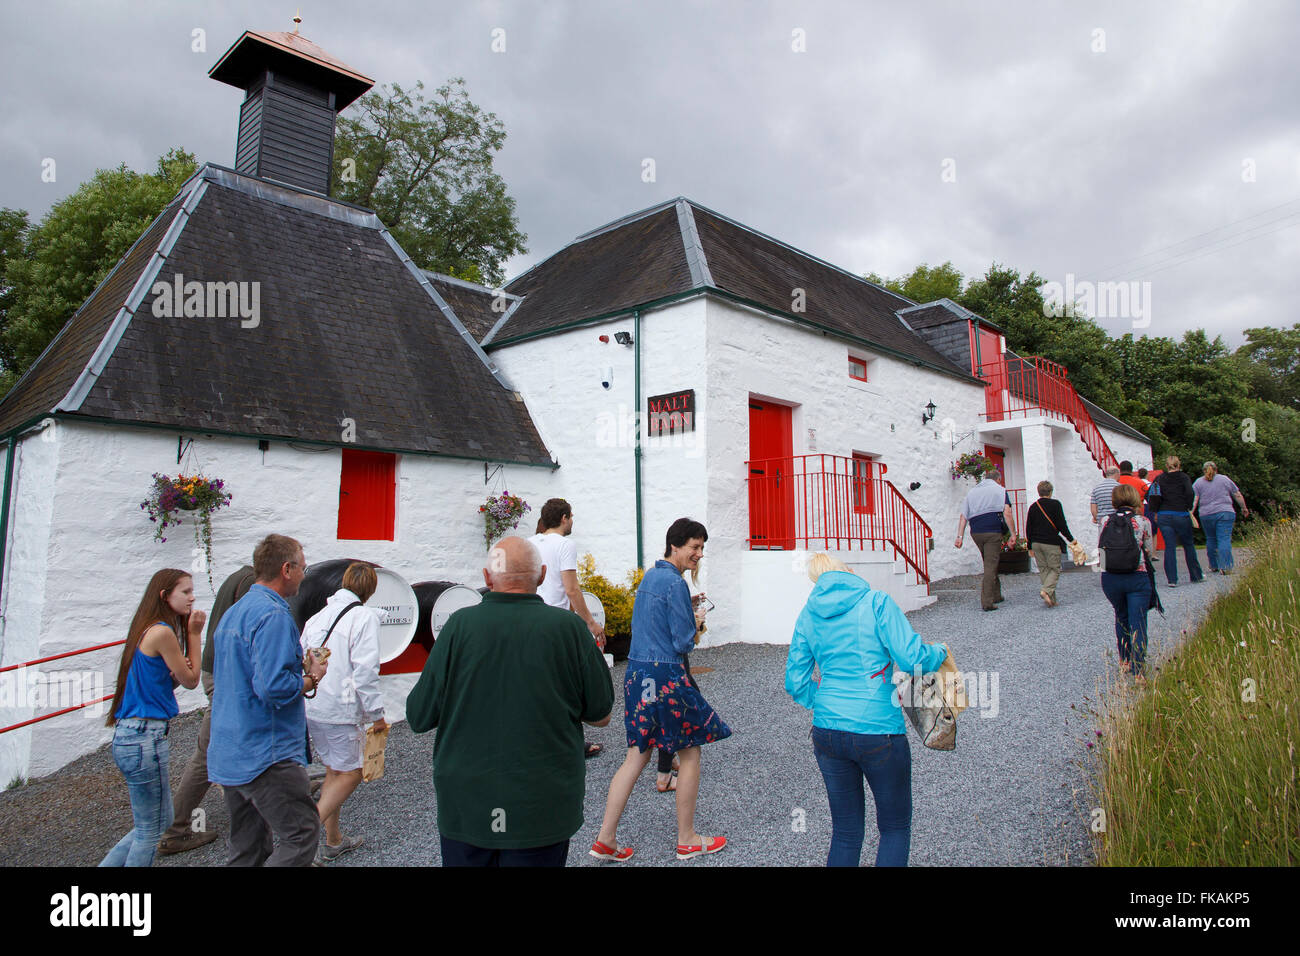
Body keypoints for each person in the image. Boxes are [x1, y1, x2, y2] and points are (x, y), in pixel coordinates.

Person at [406, 537, 613, 866]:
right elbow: (601, 714)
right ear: (543, 575)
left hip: (469, 802)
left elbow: (418, 716)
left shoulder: (458, 627)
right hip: (541, 803)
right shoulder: (570, 629)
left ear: (488, 577)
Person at [785, 554, 948, 866]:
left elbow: (795, 680)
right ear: (848, 572)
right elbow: (912, 658)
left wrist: (824, 700)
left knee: (845, 832)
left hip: (828, 732)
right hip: (879, 730)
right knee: (894, 828)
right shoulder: (876, 602)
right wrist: (938, 652)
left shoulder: (808, 614)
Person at [592, 518, 732, 862]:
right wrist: (696, 622)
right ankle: (687, 838)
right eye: (694, 547)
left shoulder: (649, 579)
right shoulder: (674, 583)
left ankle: (605, 839)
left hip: (638, 675)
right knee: (690, 752)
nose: (699, 554)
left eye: (701, 548)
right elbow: (683, 641)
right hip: (666, 674)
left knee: (636, 756)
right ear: (675, 545)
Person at [208, 534, 329, 866]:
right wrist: (312, 676)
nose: (305, 576)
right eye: (303, 568)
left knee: (248, 847)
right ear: (286, 569)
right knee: (301, 834)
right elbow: (273, 688)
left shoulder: (236, 612)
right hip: (266, 751)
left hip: (231, 748)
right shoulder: (274, 615)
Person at [100, 569, 206, 866]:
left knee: (154, 822)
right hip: (146, 737)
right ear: (164, 595)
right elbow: (191, 680)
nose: (192, 597)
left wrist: (173, 674)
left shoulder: (146, 629)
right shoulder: (163, 632)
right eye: (185, 591)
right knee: (150, 829)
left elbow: (160, 684)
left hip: (131, 736)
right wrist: (195, 634)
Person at [157, 564, 255, 856]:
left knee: (231, 746)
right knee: (208, 753)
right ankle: (174, 829)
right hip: (225, 674)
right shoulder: (251, 582)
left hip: (219, 670)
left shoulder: (240, 576)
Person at [301, 561, 387, 865]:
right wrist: (377, 714)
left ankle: (333, 839)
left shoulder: (317, 617)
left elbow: (303, 656)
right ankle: (303, 837)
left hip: (315, 703)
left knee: (333, 770)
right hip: (341, 707)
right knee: (351, 773)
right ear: (371, 589)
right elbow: (365, 671)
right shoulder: (363, 617)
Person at [529, 497, 606, 758]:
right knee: (567, 686)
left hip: (530, 619)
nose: (572, 521)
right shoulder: (565, 544)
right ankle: (571, 744)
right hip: (555, 624)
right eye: (571, 516)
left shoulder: (529, 542)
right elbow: (571, 589)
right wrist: (591, 623)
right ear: (563, 518)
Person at [1098, 484, 1157, 682]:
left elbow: (1102, 549)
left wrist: (1105, 572)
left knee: (1121, 617)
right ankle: (1139, 669)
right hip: (1136, 575)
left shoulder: (1105, 521)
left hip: (1111, 577)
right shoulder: (1142, 521)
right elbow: (1149, 550)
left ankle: (1125, 660)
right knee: (1138, 622)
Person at [954, 470, 1013, 611]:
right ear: (998, 479)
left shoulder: (972, 493)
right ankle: (987, 602)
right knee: (990, 566)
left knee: (990, 561)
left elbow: (963, 516)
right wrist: (1013, 534)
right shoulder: (1000, 490)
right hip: (993, 531)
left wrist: (959, 537)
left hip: (976, 533)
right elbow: (1007, 513)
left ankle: (997, 594)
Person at [1147, 456, 1203, 587]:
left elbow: (1152, 495)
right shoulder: (1184, 477)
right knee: (1188, 545)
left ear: (1166, 466)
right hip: (1181, 513)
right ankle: (1196, 575)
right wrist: (1188, 506)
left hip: (1164, 514)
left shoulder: (1159, 478)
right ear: (1179, 464)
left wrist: (1155, 511)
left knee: (1169, 546)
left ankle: (1172, 579)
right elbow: (1190, 493)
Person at [1192, 461, 1249, 575]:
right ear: (1216, 469)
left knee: (1211, 539)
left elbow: (1195, 499)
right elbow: (1237, 494)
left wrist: (1191, 513)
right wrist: (1244, 507)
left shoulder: (1198, 483)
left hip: (1206, 514)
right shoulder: (1224, 479)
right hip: (1225, 512)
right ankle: (1226, 566)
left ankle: (1214, 565)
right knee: (1224, 539)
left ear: (1204, 470)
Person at [1025, 480, 1075, 608]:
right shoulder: (1055, 505)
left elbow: (1028, 528)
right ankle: (1046, 591)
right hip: (1050, 542)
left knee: (1044, 570)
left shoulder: (1033, 506)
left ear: (1039, 491)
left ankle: (1051, 600)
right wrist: (1070, 539)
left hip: (1036, 542)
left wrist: (1029, 546)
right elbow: (1061, 525)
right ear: (1051, 492)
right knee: (1055, 569)